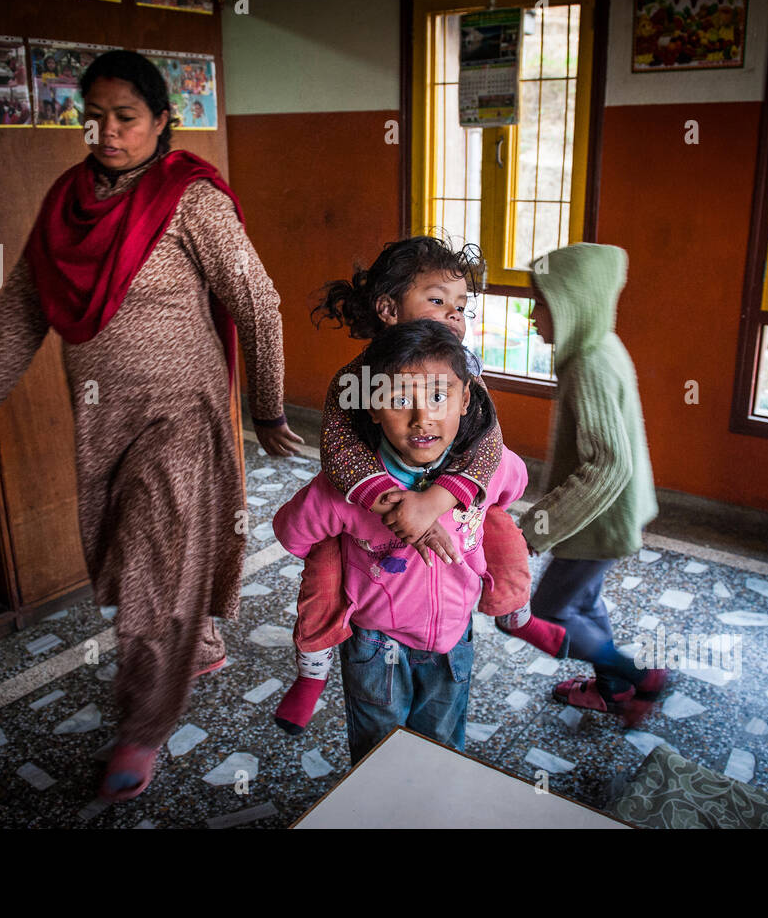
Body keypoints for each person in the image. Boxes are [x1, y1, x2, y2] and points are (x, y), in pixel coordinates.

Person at [0, 49, 300, 801]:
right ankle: (198, 639)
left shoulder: (189, 199)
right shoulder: (66, 201)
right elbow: (23, 306)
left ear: (162, 121)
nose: (108, 131)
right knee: (141, 549)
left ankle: (141, 728)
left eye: (127, 116)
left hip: (181, 412)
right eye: (96, 115)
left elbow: (258, 303)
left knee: (147, 562)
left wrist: (267, 409)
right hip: (102, 419)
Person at [272, 236, 567, 735]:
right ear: (389, 308)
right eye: (437, 300)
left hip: (452, 542)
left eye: (460, 306)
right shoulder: (356, 378)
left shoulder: (464, 368)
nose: (453, 315)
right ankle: (313, 665)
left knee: (500, 528)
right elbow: (339, 453)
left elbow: (489, 444)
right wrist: (392, 505)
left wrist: (436, 500)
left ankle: (515, 609)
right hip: (364, 516)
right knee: (324, 558)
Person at [274, 320, 528, 762]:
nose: (422, 417)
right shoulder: (348, 488)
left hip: (453, 638)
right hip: (376, 643)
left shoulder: (489, 465)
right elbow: (292, 533)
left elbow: (513, 487)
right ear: (372, 408)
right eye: (398, 400)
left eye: (437, 396)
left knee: (442, 747)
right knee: (379, 751)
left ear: (466, 400)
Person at [518, 243, 669, 725]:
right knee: (582, 600)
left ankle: (637, 673)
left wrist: (536, 529)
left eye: (540, 302)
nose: (532, 314)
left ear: (572, 304)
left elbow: (607, 465)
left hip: (597, 520)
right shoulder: (600, 344)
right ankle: (615, 690)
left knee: (544, 610)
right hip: (608, 516)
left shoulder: (587, 364)